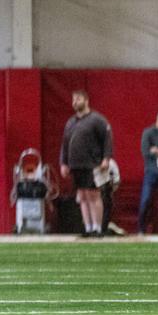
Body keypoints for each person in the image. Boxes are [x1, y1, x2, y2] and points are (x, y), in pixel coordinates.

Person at [59, 89, 113, 237]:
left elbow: (107, 139)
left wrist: (106, 158)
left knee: (93, 195)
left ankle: (97, 228)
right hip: (75, 165)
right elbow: (64, 144)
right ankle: (88, 227)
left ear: (86, 101)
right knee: (82, 196)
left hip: (92, 164)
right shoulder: (70, 122)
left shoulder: (97, 119)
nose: (75, 102)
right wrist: (63, 163)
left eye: (78, 99)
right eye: (73, 99)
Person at [95, 157, 123, 236]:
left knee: (106, 198)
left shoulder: (111, 163)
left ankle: (103, 228)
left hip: (105, 191)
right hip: (92, 190)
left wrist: (111, 190)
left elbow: (116, 180)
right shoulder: (89, 162)